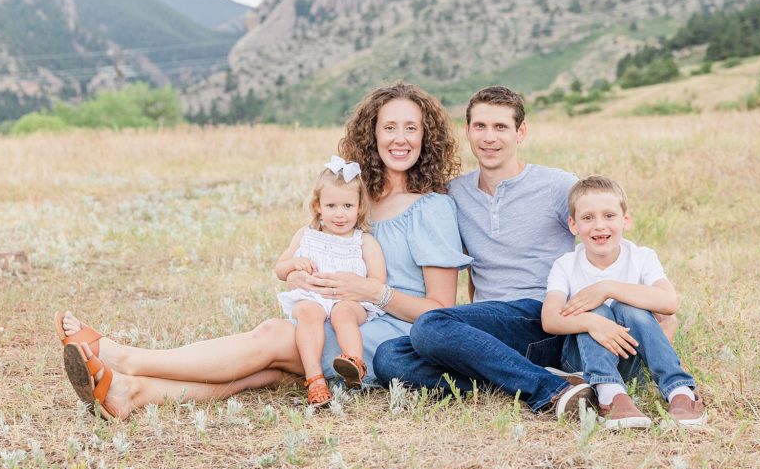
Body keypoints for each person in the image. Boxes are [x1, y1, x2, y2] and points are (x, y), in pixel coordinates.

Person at [55, 82, 470, 419]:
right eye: (390, 127)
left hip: (387, 338)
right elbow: (311, 250)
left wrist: (369, 291)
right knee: (264, 371)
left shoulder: (432, 208)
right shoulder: (354, 199)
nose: (400, 139)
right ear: (373, 133)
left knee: (272, 337)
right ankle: (133, 393)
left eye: (411, 128)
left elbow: (440, 313)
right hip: (330, 313)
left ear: (425, 136)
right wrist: (298, 273)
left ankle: (125, 357)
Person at [375, 86, 610, 417]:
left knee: (430, 325)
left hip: (544, 316)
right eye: (480, 127)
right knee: (388, 357)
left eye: (501, 127)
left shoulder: (556, 186)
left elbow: (605, 234)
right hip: (488, 328)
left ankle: (551, 391)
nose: (489, 137)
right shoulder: (455, 194)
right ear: (468, 130)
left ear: (520, 132)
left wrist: (629, 299)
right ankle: (528, 378)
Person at [542, 175, 705, 428]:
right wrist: (593, 321)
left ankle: (679, 391)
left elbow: (669, 302)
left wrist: (608, 288)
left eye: (609, 216)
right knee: (593, 309)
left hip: (631, 359)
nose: (599, 225)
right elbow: (549, 319)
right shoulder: (565, 265)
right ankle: (610, 395)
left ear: (625, 220)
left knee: (628, 305)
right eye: (588, 218)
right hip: (582, 361)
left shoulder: (641, 257)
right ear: (573, 225)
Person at [275, 157, 387, 406]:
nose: (339, 214)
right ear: (318, 206)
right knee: (306, 313)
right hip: (314, 297)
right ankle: (315, 379)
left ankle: (354, 364)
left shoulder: (363, 241)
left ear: (359, 207)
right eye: (332, 205)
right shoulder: (307, 235)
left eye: (347, 206)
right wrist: (296, 264)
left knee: (343, 314)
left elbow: (378, 279)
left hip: (349, 298)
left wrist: (357, 287)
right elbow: (280, 269)